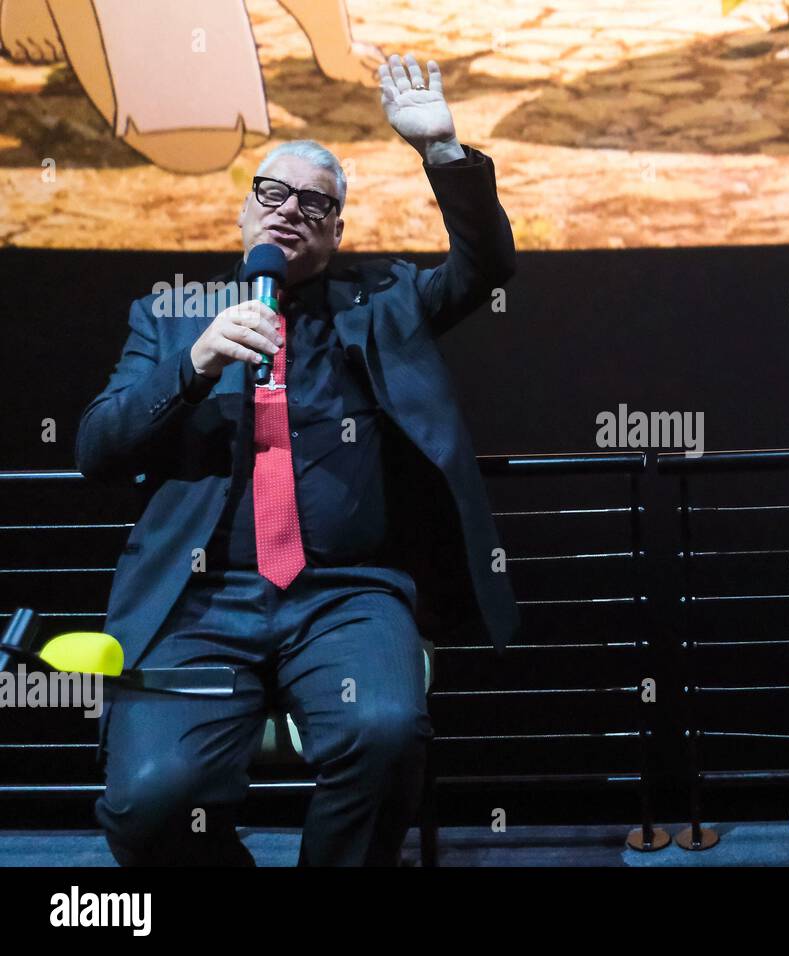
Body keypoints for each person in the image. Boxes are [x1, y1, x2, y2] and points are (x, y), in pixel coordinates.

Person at [74, 53, 519, 866]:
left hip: (347, 594)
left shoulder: (382, 303)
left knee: (384, 733)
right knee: (147, 799)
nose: (290, 212)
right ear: (245, 211)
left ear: (338, 230)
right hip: (200, 603)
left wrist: (440, 152)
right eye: (272, 194)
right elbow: (96, 449)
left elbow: (485, 268)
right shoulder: (173, 317)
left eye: (315, 203)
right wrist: (193, 367)